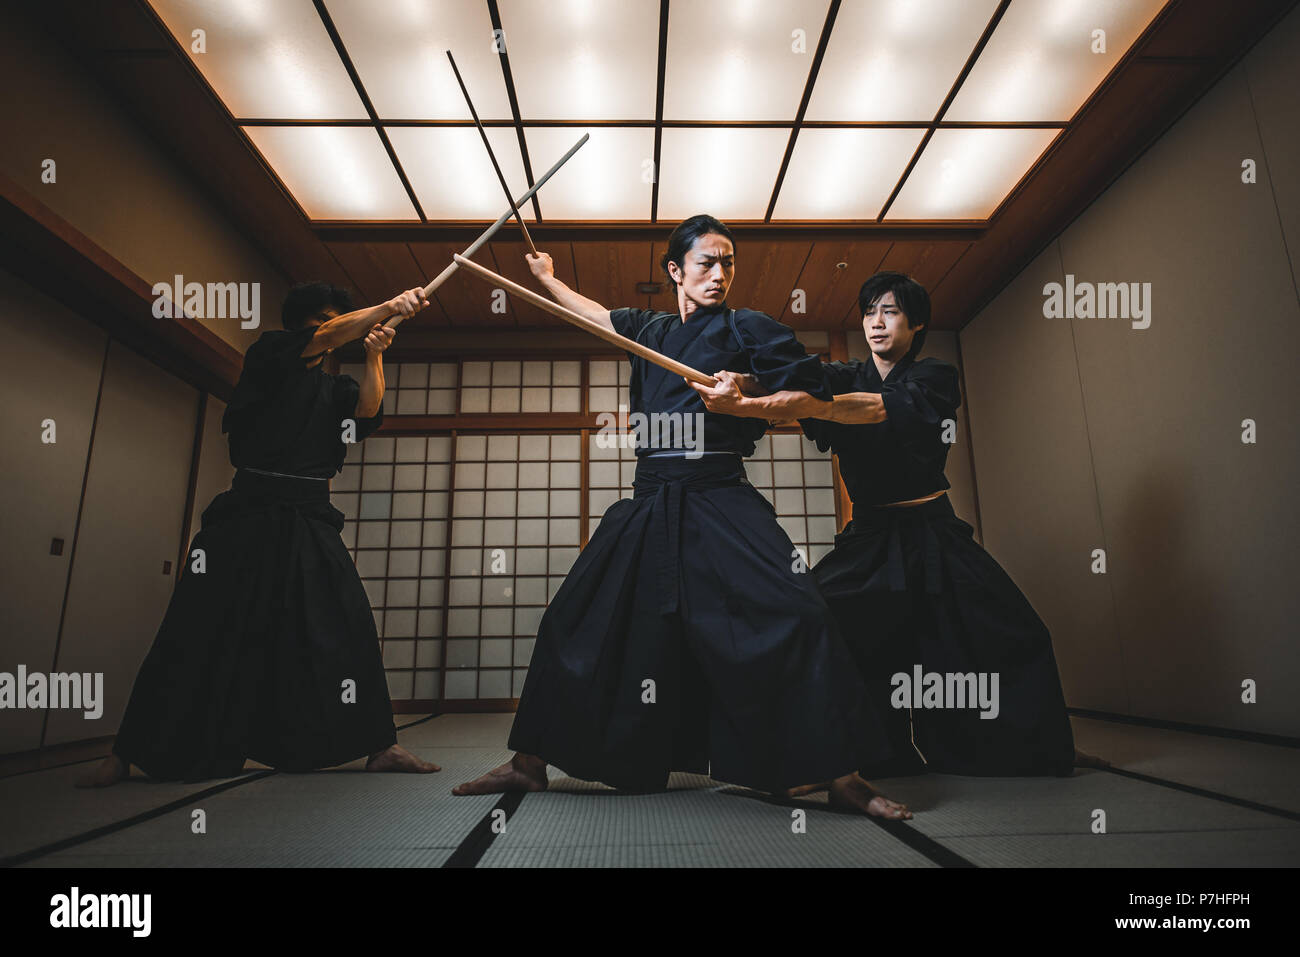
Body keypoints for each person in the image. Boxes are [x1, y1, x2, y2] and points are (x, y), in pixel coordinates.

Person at [452, 215, 910, 818]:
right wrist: (547, 278)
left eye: (727, 263)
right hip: (650, 495)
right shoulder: (648, 327)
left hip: (719, 490)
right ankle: (529, 762)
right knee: (573, 617)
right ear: (675, 270)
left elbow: (809, 397)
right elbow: (592, 315)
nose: (719, 274)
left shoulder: (749, 327)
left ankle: (841, 774)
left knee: (801, 611)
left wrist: (743, 400)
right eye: (705, 263)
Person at [691, 271, 1101, 779]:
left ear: (917, 322)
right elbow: (792, 386)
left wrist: (755, 403)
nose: (876, 323)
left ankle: (1039, 749)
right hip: (869, 537)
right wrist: (740, 386)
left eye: (889, 311)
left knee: (1016, 632)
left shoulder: (934, 375)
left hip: (933, 530)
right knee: (816, 620)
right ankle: (863, 755)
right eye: (869, 312)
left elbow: (862, 411)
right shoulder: (841, 376)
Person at [80, 283, 439, 786]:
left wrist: (375, 357)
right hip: (247, 512)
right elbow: (330, 335)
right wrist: (385, 306)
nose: (337, 332)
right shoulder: (271, 353)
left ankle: (380, 745)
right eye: (330, 324)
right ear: (307, 327)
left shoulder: (335, 388)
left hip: (311, 515)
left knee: (349, 623)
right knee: (194, 627)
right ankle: (127, 753)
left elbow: (364, 414)